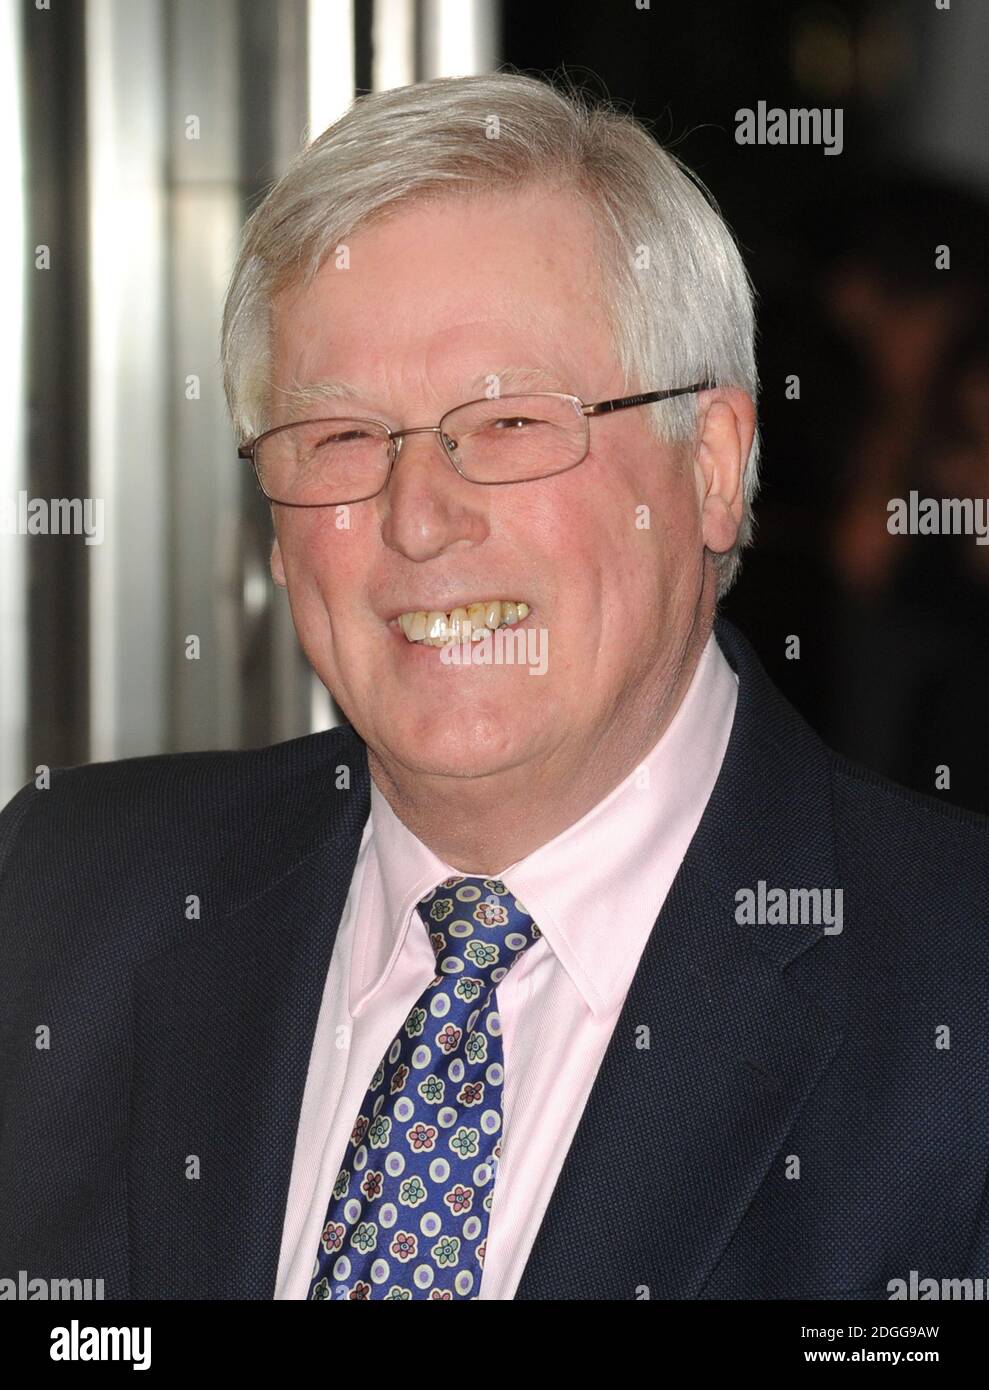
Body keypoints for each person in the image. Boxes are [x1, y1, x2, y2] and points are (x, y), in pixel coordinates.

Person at [1, 72, 987, 1302]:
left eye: (512, 422)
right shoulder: (66, 901)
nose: (417, 519)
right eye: (341, 436)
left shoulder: (954, 995)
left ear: (713, 469)